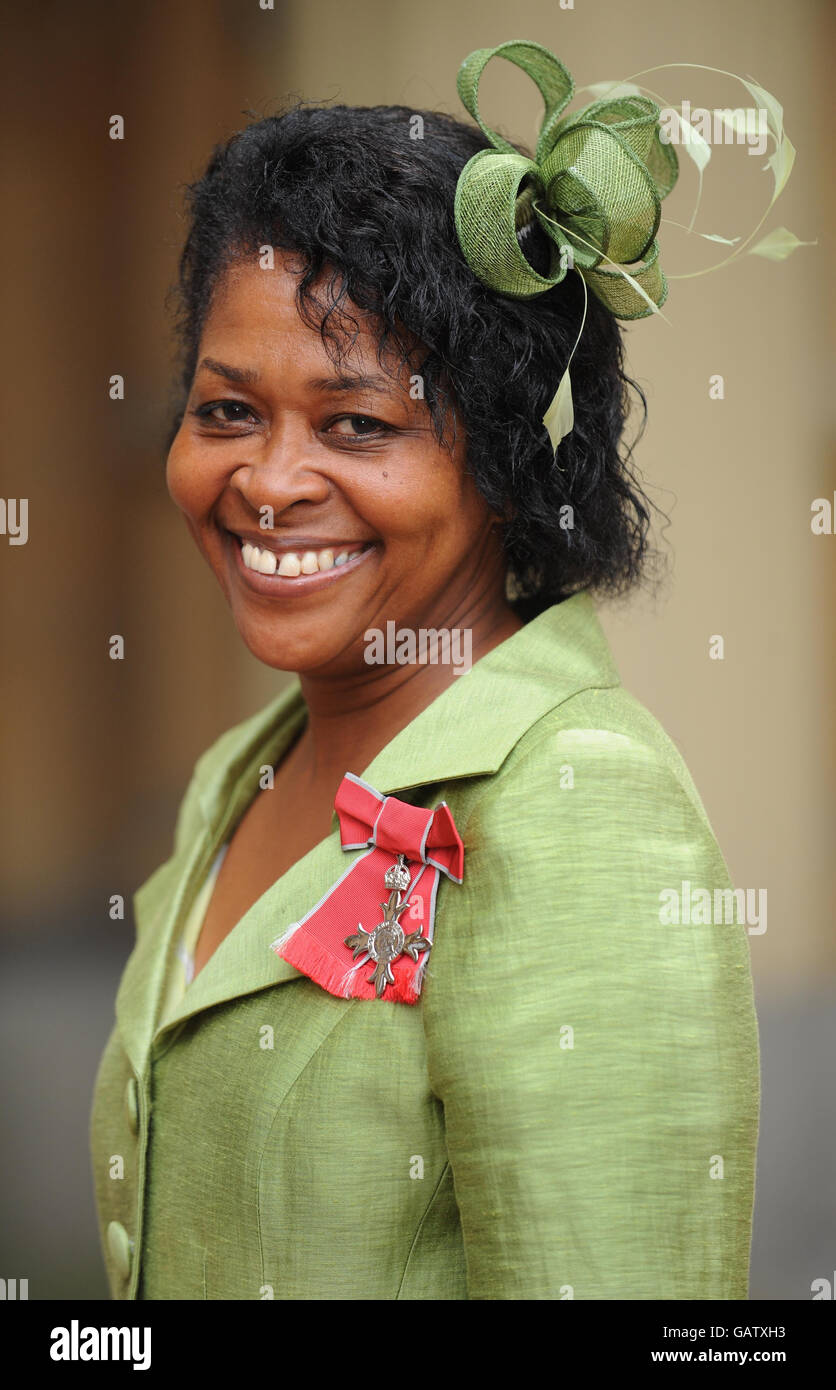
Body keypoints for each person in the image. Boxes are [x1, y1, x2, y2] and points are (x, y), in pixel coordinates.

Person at [90, 40, 760, 1300]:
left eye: (357, 424)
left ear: (509, 461)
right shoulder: (239, 774)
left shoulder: (580, 803)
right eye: (228, 409)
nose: (270, 483)